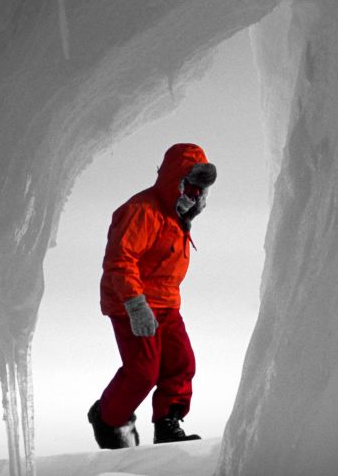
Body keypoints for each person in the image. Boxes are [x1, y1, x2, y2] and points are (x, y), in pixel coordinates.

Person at [87, 143, 217, 449]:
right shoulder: (140, 211)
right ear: (175, 179)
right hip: (130, 302)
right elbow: (120, 261)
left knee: (181, 363)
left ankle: (167, 425)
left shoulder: (176, 214)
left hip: (166, 303)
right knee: (143, 373)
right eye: (191, 185)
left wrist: (186, 217)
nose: (196, 194)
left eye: (201, 189)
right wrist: (135, 305)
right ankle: (108, 418)